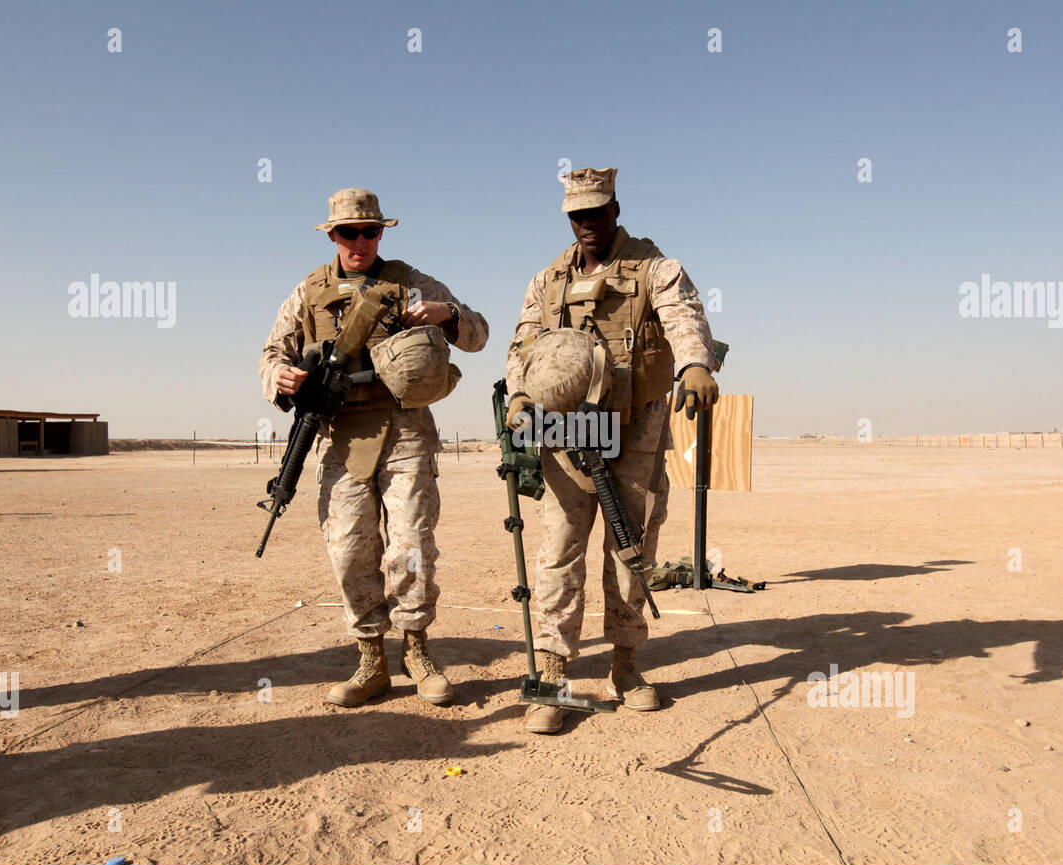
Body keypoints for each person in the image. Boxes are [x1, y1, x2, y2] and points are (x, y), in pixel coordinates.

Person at [504, 167, 719, 733]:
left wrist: (696, 364)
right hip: (564, 430)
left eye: (596, 212)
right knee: (559, 548)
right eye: (577, 215)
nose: (587, 224)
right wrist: (521, 395)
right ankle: (552, 673)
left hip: (634, 426)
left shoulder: (656, 269)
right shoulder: (546, 280)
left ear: (616, 210)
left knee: (631, 544)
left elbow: (684, 319)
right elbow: (523, 342)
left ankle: (624, 666)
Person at [260, 188, 488, 708]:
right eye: (348, 232)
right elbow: (272, 350)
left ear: (381, 233)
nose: (359, 241)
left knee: (410, 546)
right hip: (340, 436)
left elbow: (477, 334)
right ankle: (371, 660)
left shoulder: (409, 282)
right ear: (332, 235)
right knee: (349, 550)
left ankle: (418, 650)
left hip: (405, 430)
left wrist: (445, 313)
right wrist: (281, 375)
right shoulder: (309, 291)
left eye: (369, 231)